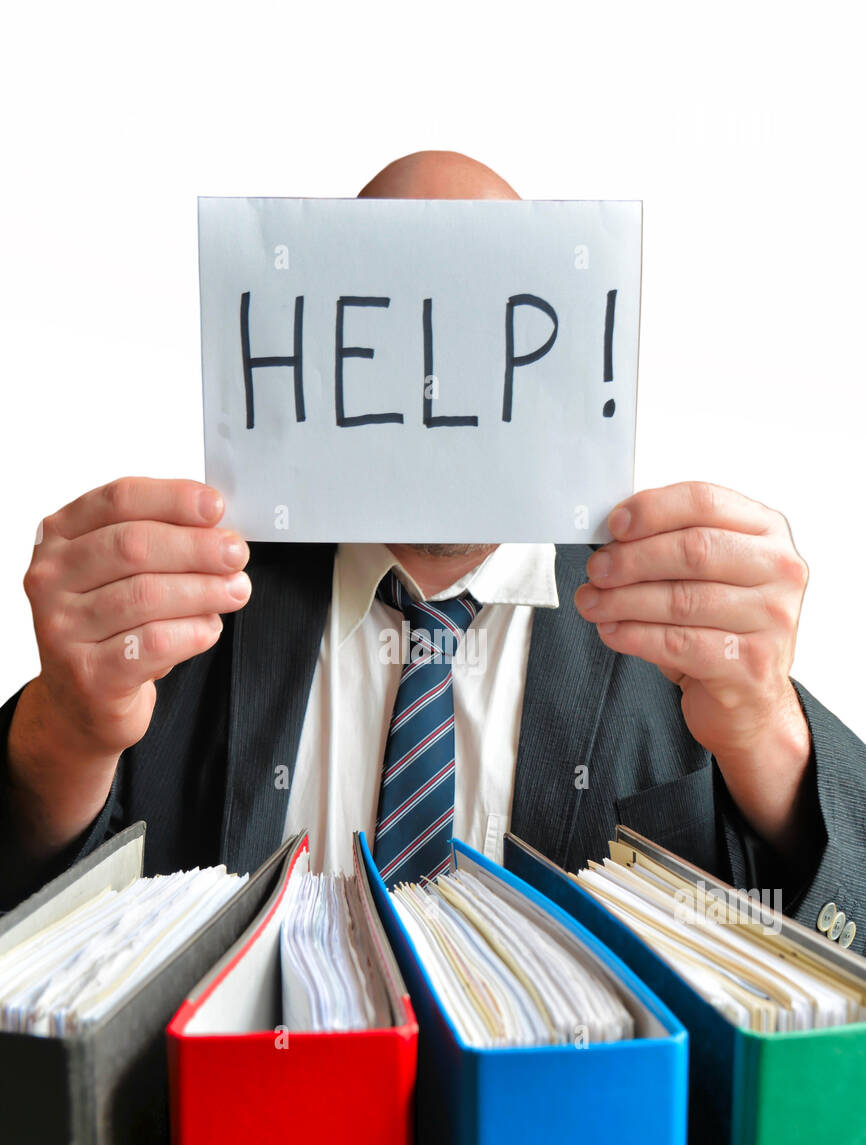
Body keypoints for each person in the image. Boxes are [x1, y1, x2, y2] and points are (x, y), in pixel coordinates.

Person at [1, 151, 864, 953]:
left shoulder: (684, 628)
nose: (436, 380)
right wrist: (62, 737)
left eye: (486, 324)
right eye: (398, 325)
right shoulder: (177, 622)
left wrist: (769, 739)